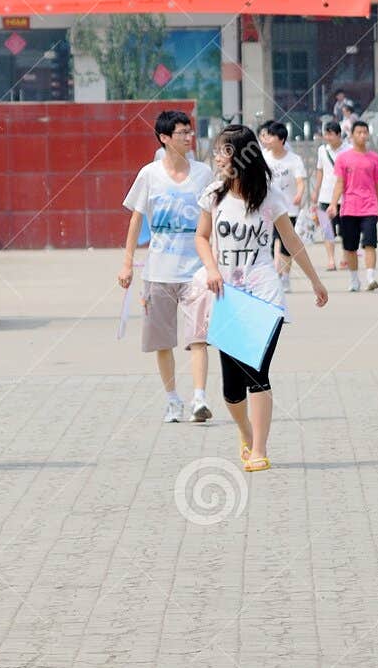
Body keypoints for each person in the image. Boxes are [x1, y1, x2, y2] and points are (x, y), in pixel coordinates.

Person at [195, 125, 329, 472]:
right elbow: (201, 237)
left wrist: (315, 281)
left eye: (223, 152)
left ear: (241, 155)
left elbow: (291, 241)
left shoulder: (269, 196)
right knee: (231, 389)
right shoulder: (214, 195)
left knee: (257, 372)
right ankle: (245, 432)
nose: (217, 158)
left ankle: (259, 449)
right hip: (227, 294)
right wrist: (211, 268)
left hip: (264, 293)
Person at [118, 110, 216, 424]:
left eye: (191, 132)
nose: (190, 137)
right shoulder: (149, 174)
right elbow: (135, 219)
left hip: (196, 271)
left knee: (199, 337)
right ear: (164, 138)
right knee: (162, 341)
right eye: (182, 133)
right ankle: (172, 399)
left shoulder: (203, 174)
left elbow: (214, 217)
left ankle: (199, 398)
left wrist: (216, 264)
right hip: (158, 271)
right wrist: (127, 263)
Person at [330, 120, 378, 292]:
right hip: (349, 208)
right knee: (350, 247)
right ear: (352, 135)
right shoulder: (343, 158)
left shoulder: (374, 158)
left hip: (369, 207)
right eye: (359, 132)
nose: (362, 135)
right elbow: (340, 183)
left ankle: (370, 277)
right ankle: (354, 279)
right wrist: (333, 204)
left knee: (370, 243)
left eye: (365, 132)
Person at [257, 120, 307, 291]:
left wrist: (299, 194)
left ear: (281, 139)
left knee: (287, 244)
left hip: (288, 209)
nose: (268, 139)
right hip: (267, 209)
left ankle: (285, 276)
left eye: (271, 136)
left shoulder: (294, 160)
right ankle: (273, 275)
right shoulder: (263, 157)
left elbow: (300, 181)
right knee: (270, 242)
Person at [312, 121, 345, 271]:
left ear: (338, 134)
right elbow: (320, 171)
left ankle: (346, 257)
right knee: (327, 230)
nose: (328, 137)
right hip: (325, 196)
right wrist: (316, 191)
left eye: (331, 134)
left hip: (344, 197)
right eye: (326, 134)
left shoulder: (348, 150)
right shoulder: (322, 150)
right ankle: (331, 260)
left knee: (346, 231)